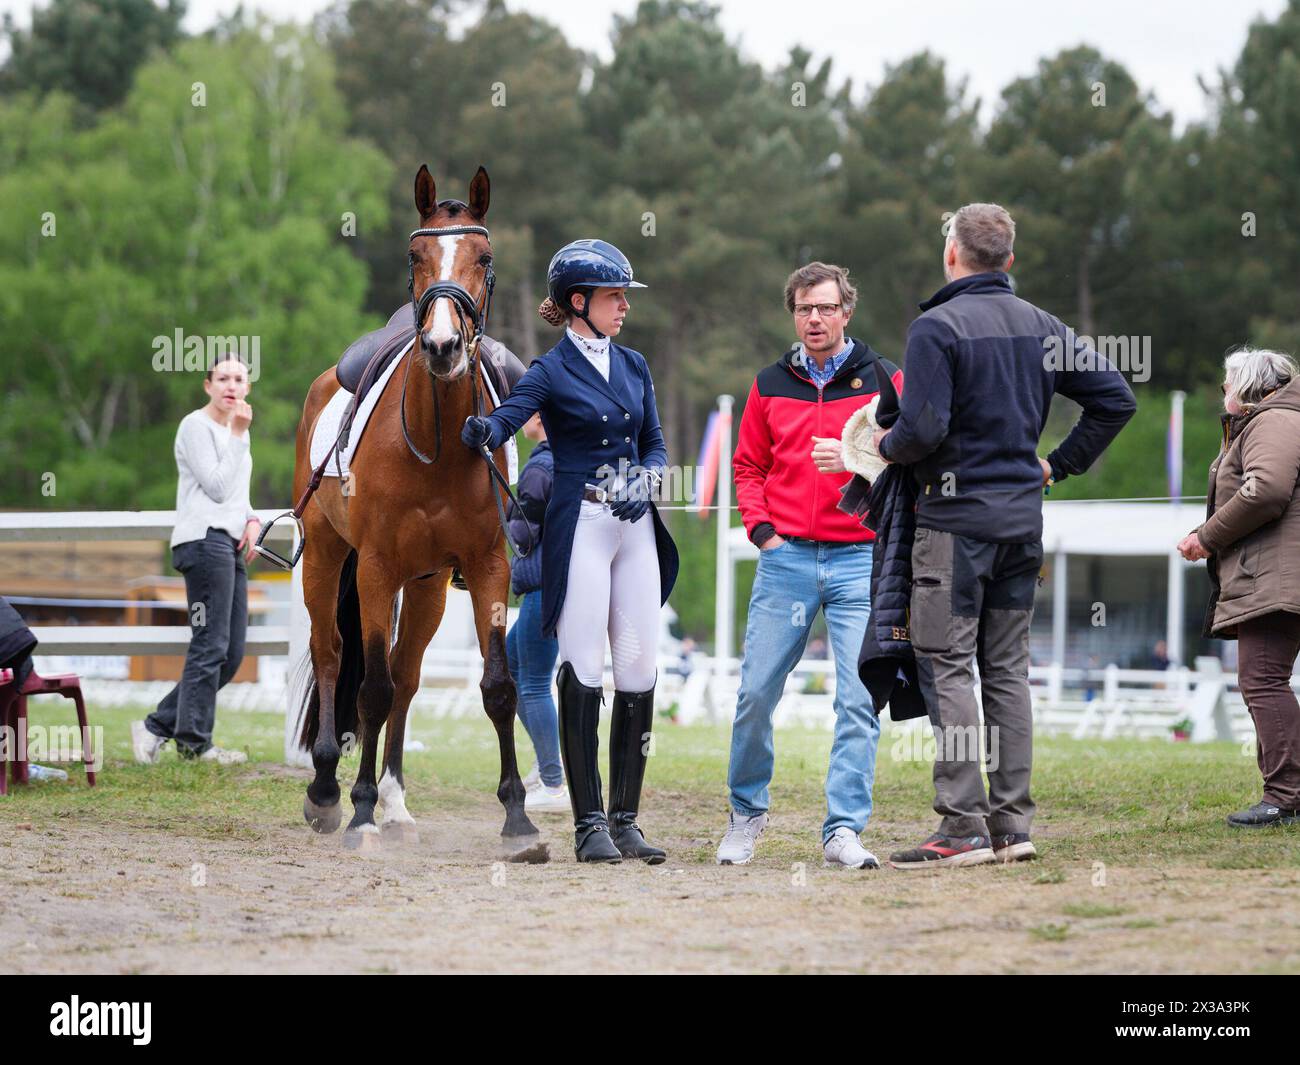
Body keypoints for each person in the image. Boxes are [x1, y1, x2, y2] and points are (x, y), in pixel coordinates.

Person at [874, 202, 1136, 869]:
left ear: (953, 255)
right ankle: (1012, 827)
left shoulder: (935, 327)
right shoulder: (1042, 326)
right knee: (1008, 674)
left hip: (954, 529)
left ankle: (960, 826)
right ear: (1008, 260)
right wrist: (1058, 462)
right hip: (1022, 524)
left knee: (950, 668)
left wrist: (882, 441)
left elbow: (922, 431)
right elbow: (1115, 397)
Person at [461, 239, 679, 864]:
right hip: (581, 523)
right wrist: (481, 429)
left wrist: (647, 478)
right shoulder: (550, 371)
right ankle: (588, 825)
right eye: (614, 298)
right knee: (583, 667)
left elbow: (656, 444)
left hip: (634, 527)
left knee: (638, 671)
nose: (623, 309)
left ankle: (626, 819)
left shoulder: (635, 366)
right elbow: (507, 420)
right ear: (578, 302)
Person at [717, 261, 903, 869]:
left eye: (825, 307)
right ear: (793, 314)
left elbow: (911, 461)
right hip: (786, 559)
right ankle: (747, 814)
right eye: (804, 309)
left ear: (847, 311)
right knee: (754, 695)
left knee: (857, 701)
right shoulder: (770, 382)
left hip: (859, 561)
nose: (815, 318)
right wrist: (763, 532)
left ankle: (842, 830)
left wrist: (857, 456)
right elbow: (747, 465)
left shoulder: (886, 379)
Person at [1178, 347, 1300, 828]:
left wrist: (1206, 537)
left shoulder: (1271, 422)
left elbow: (1265, 490)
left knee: (1262, 679)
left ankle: (1286, 797)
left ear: (1248, 387)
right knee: (1266, 679)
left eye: (1226, 384)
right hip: (1279, 573)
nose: (1222, 393)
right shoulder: (1282, 420)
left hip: (1276, 577)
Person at [132, 358, 260, 765]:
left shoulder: (235, 433)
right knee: (210, 645)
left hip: (230, 546)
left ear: (247, 388)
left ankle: (156, 726)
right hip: (203, 543)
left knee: (231, 652)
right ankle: (194, 745)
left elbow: (236, 494)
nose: (231, 386)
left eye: (239, 379)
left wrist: (253, 518)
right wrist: (239, 435)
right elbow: (217, 488)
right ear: (207, 386)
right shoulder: (196, 427)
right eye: (223, 378)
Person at [505, 413, 569, 813]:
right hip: (551, 584)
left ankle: (554, 782)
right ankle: (550, 763)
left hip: (542, 586)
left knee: (533, 683)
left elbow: (524, 532)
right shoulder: (562, 459)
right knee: (511, 664)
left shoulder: (540, 467)